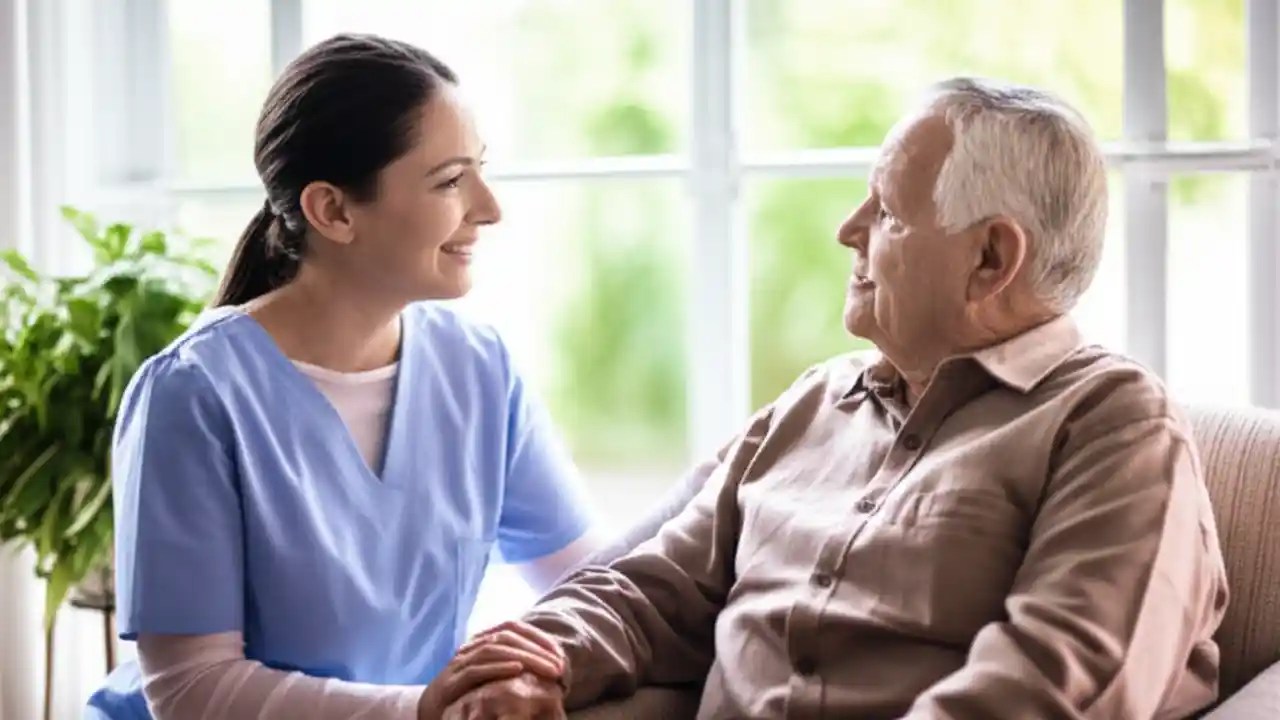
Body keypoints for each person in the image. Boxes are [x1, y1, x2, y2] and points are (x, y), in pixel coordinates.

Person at [443, 78, 1231, 719]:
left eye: (886, 211)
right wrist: (537, 659)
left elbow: (1064, 683)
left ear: (990, 258)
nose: (848, 231)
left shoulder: (1112, 424)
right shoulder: (815, 402)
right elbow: (651, 586)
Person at [85, 33, 598, 720]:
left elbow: (592, 580)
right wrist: (422, 710)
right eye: (450, 180)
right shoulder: (193, 394)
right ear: (333, 210)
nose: (489, 206)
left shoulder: (479, 369)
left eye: (479, 169)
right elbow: (190, 689)